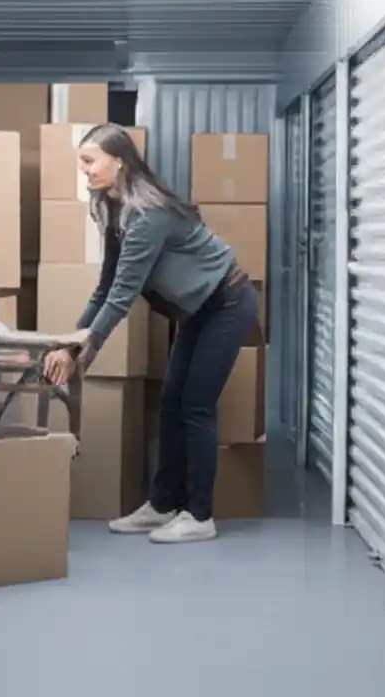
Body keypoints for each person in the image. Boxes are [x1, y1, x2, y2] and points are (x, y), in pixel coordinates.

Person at [42, 123, 259, 544]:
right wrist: (70, 343)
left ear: (119, 161)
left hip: (227, 302)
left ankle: (199, 515)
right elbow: (105, 286)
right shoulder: (114, 211)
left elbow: (122, 295)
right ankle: (162, 506)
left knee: (195, 405)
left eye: (90, 161)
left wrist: (83, 349)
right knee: (171, 401)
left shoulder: (146, 215)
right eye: (81, 162)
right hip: (198, 310)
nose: (84, 170)